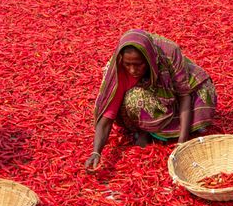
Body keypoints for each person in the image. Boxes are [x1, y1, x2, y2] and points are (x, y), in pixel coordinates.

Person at [86, 30, 216, 170]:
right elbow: (107, 117)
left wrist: (181, 143)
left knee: (205, 93)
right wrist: (96, 152)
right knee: (134, 99)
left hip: (174, 92)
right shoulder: (118, 70)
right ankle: (143, 130)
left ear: (149, 59)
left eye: (138, 64)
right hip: (150, 101)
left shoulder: (170, 54)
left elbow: (184, 95)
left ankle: (170, 131)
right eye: (128, 64)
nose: (132, 70)